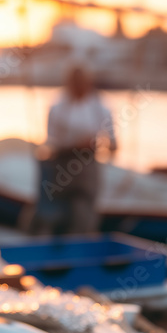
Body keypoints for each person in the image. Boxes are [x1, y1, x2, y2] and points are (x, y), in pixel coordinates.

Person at [30, 65, 116, 235]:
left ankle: (79, 245)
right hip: (60, 166)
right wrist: (77, 145)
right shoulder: (57, 107)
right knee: (54, 215)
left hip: (87, 167)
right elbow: (51, 141)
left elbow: (113, 143)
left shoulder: (100, 108)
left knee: (84, 215)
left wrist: (101, 146)